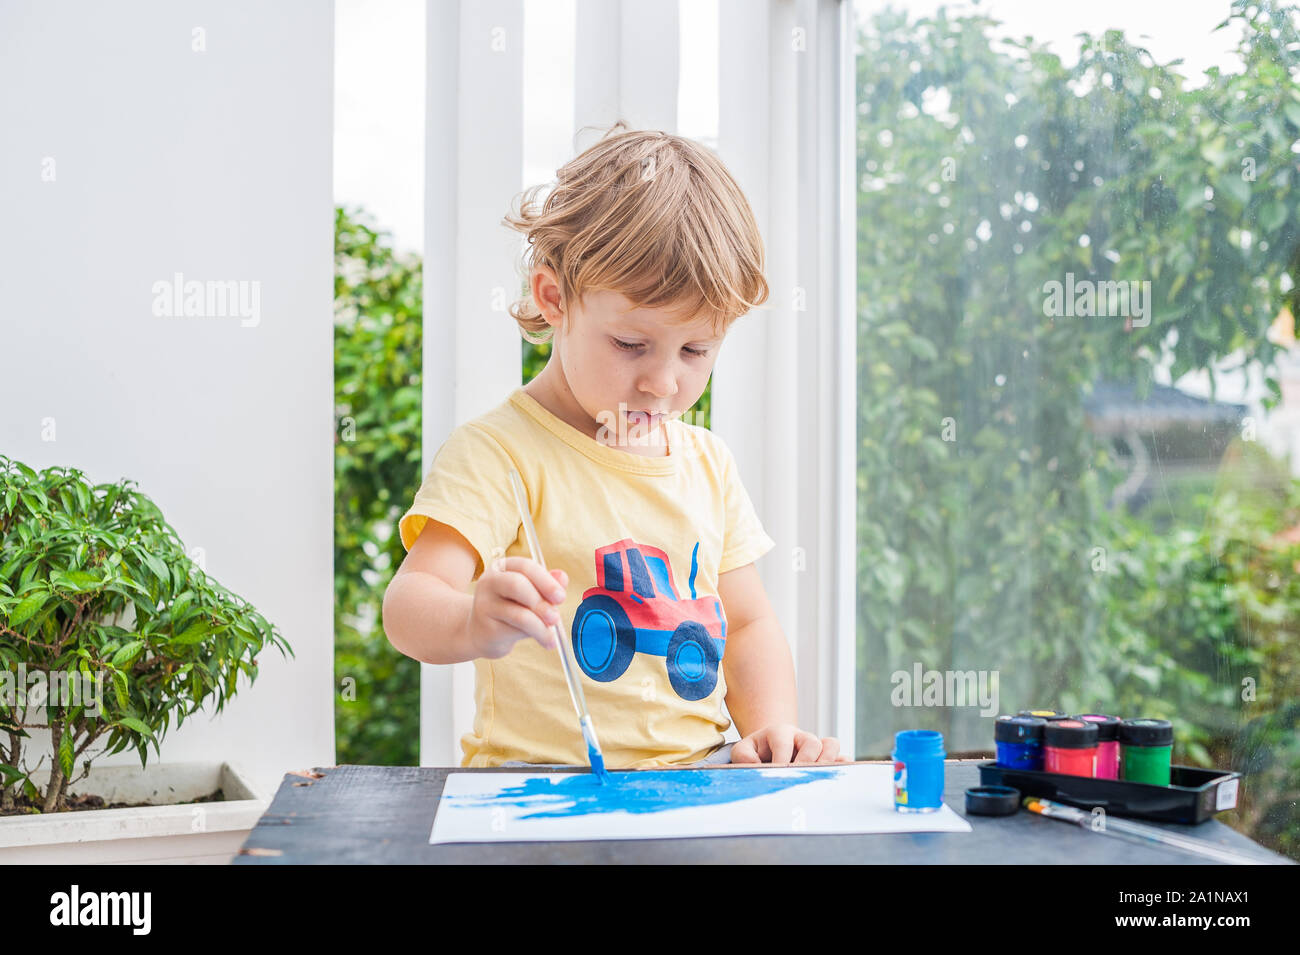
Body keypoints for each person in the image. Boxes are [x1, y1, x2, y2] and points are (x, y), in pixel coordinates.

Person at [383, 123, 848, 770]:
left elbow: (745, 626)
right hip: (538, 788)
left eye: (695, 350)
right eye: (631, 344)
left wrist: (772, 729)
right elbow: (409, 604)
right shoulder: (500, 454)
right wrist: (470, 620)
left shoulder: (707, 464)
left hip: (697, 777)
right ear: (555, 299)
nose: (663, 380)